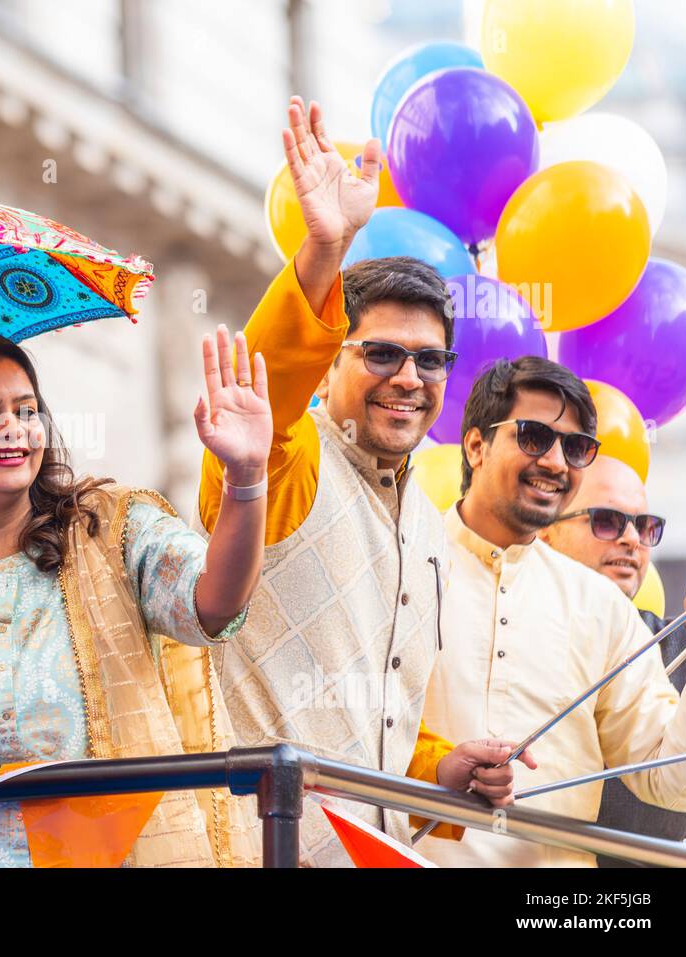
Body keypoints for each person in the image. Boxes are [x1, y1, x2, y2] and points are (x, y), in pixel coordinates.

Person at [197, 96, 524, 866]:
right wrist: (323, 248)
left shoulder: (426, 514)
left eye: (430, 359)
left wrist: (443, 767)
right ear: (329, 359)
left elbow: (373, 721)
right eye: (381, 353)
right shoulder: (285, 456)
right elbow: (264, 399)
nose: (408, 377)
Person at [0, 326, 272, 867]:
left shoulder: (111, 528)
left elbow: (215, 604)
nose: (11, 429)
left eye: (26, 411)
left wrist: (247, 477)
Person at [421, 356, 686, 867]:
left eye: (574, 447)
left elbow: (669, 781)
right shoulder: (406, 559)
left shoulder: (601, 606)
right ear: (476, 445)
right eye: (533, 436)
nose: (555, 462)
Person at [539, 454, 686, 864]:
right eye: (606, 520)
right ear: (545, 533)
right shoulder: (506, 630)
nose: (631, 539)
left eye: (645, 527)